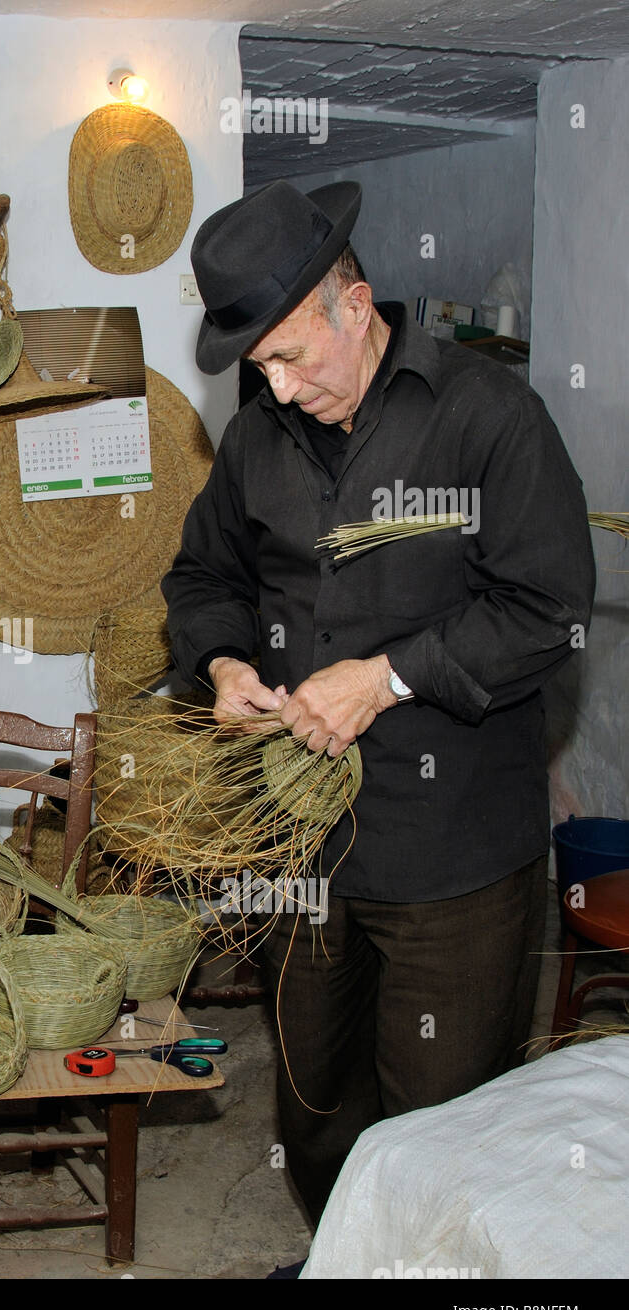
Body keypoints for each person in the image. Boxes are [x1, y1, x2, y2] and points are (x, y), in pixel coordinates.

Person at [163, 179, 596, 1227]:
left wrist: (386, 677)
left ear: (351, 307)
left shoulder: (486, 417)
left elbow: (547, 609)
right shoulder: (259, 442)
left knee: (441, 1115)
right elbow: (202, 578)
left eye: (287, 356)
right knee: (314, 1100)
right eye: (255, 366)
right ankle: (344, 1254)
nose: (271, 388)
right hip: (301, 844)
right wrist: (221, 666)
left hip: (450, 853)